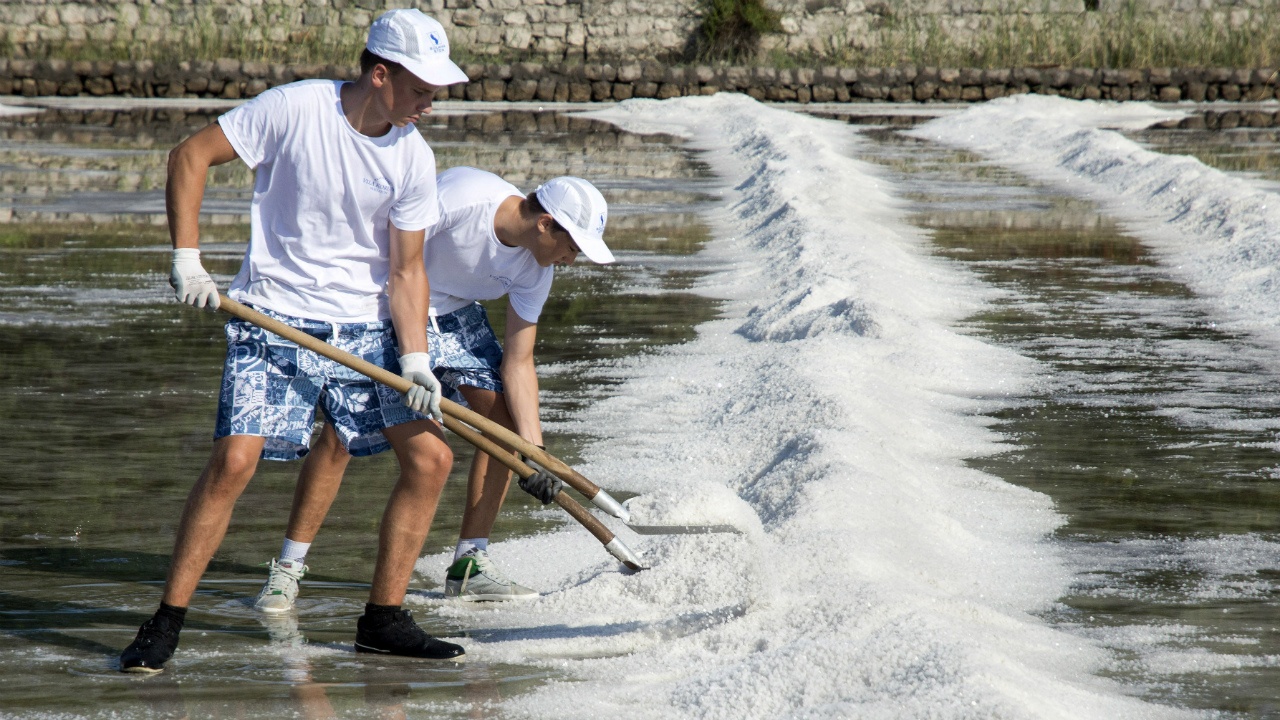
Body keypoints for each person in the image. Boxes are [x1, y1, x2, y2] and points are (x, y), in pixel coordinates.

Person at [118, 9, 471, 673]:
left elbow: (406, 271)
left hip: (365, 330)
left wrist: (417, 357)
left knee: (432, 462)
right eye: (422, 89)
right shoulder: (295, 109)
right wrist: (187, 257)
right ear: (380, 73)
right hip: (271, 318)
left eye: (435, 91)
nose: (431, 103)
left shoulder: (414, 158)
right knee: (235, 462)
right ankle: (165, 623)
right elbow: (191, 156)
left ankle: (383, 619)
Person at [251, 166, 613, 612]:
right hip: (383, 304)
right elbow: (389, 256)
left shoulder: (536, 269)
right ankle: (287, 569)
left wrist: (535, 452)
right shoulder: (463, 200)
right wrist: (412, 356)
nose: (570, 260)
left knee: (505, 423)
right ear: (545, 224)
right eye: (572, 247)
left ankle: (470, 564)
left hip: (456, 315)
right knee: (342, 432)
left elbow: (519, 362)